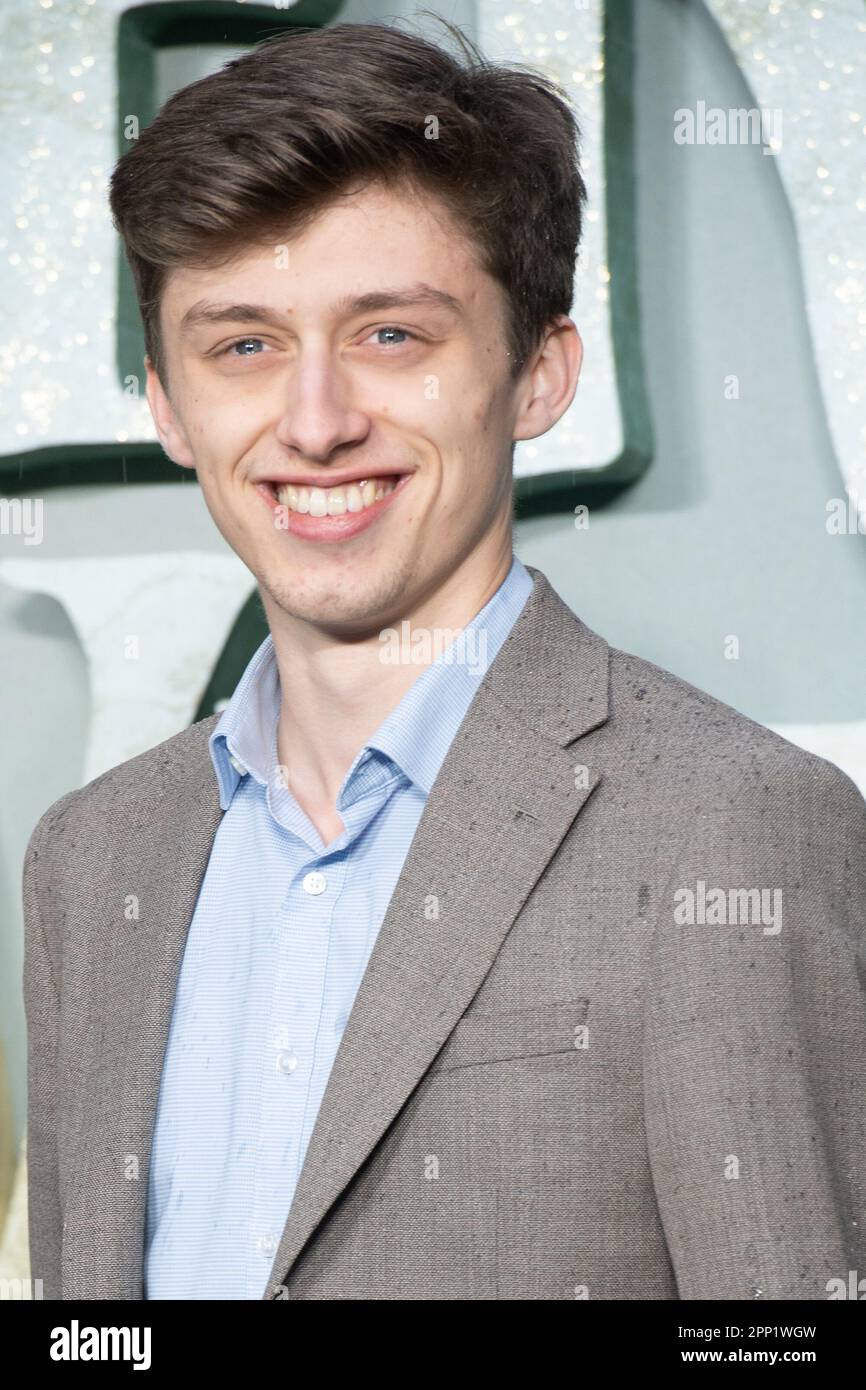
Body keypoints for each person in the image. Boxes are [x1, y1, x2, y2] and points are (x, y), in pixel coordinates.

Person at [23, 20, 866, 1301]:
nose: (314, 424)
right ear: (168, 405)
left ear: (536, 375)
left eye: (391, 336)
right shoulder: (90, 861)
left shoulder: (733, 827)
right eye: (242, 345)